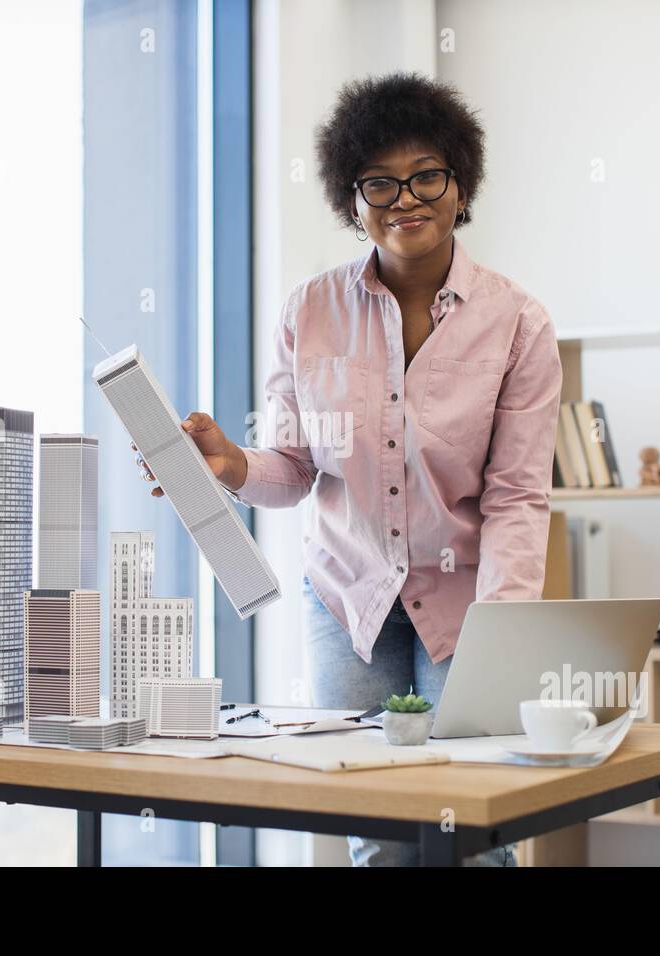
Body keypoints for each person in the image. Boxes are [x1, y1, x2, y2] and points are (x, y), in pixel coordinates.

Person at [134, 72, 562, 866]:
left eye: (426, 174)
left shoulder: (520, 325)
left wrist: (504, 630)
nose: (406, 198)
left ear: (460, 183)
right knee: (379, 829)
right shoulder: (308, 311)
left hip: (469, 599)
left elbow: (516, 498)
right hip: (346, 595)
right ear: (351, 198)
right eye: (380, 182)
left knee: (469, 824)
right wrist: (230, 463)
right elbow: (294, 471)